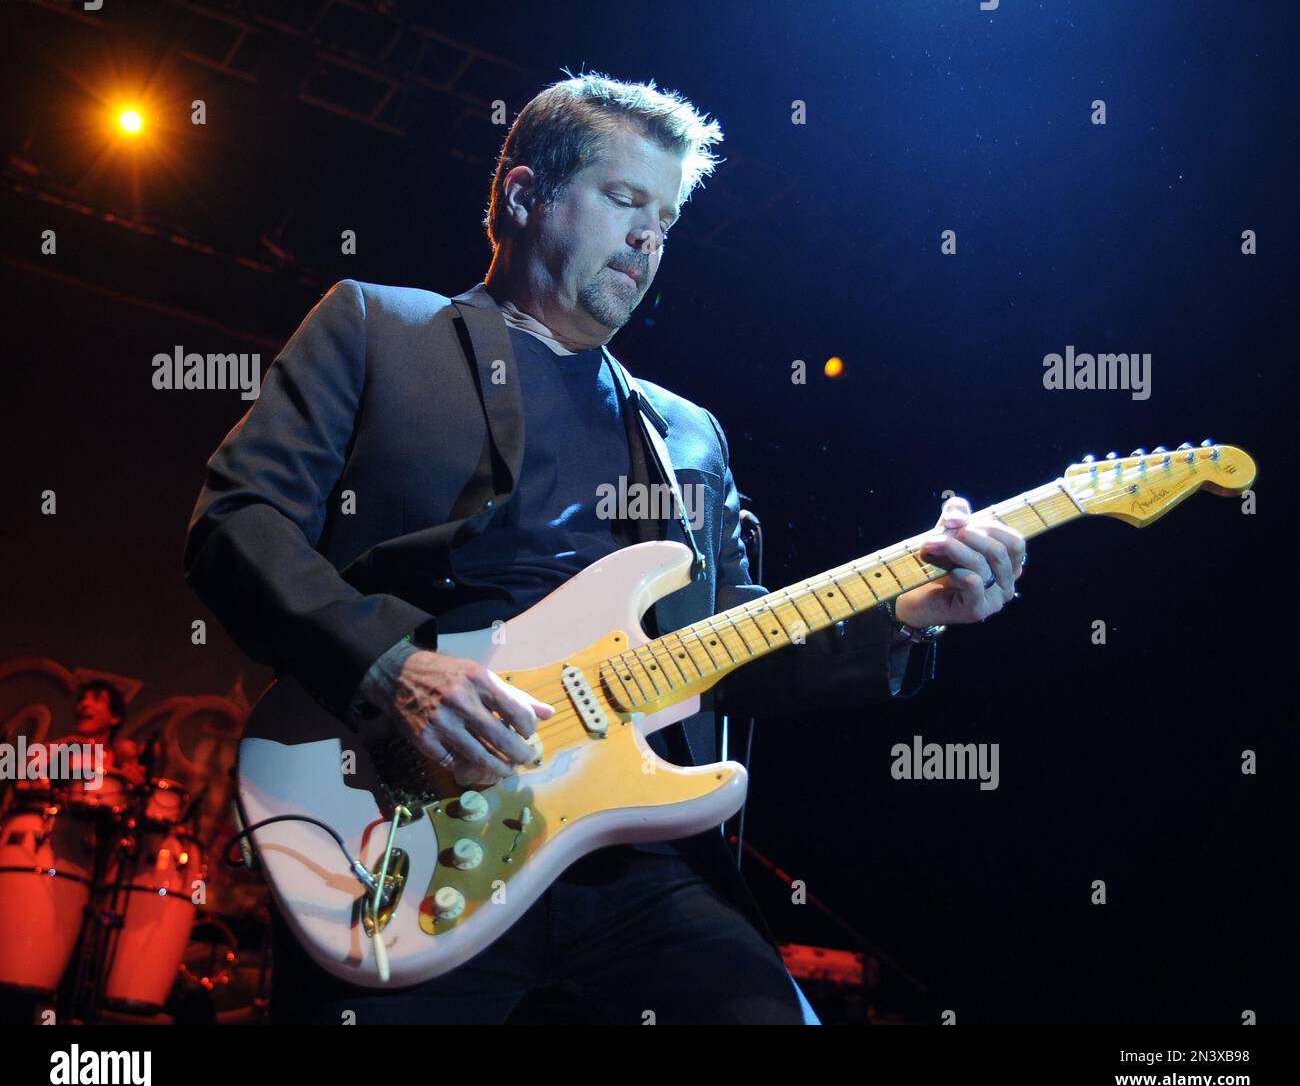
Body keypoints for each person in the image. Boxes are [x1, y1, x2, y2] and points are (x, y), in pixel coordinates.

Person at [183, 72, 1026, 1024]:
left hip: (638, 857)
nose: (649, 238)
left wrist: (908, 612)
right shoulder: (378, 327)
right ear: (522, 195)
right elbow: (237, 521)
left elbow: (731, 643)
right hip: (402, 813)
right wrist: (396, 668)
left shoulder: (687, 433)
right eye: (625, 200)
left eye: (664, 218)